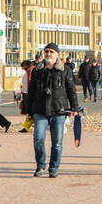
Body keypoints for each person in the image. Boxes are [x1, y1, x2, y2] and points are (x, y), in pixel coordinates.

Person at [24, 43, 79, 177]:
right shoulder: (37, 70)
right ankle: (41, 165)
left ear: (57, 54)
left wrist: (74, 108)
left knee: (57, 143)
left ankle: (53, 167)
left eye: (51, 52)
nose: (48, 54)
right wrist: (29, 110)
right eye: (46, 51)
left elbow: (71, 90)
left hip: (59, 110)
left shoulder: (65, 70)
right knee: (38, 139)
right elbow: (31, 91)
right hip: (40, 110)